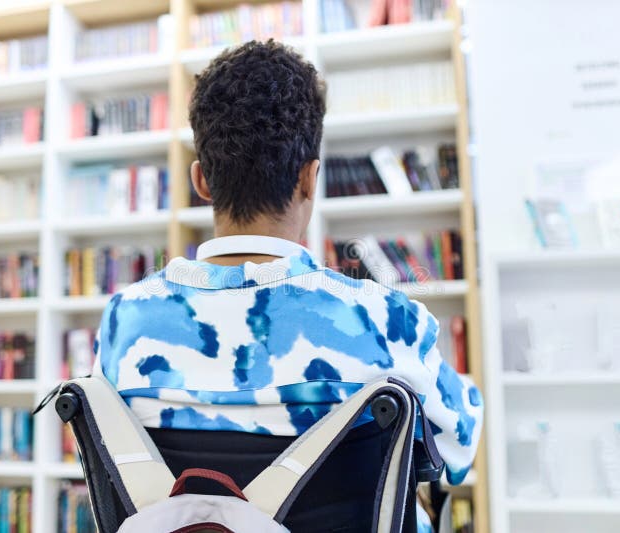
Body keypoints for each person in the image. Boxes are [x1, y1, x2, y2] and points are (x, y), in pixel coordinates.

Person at [93, 40, 483, 532]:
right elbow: (457, 452)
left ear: (202, 181)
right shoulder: (386, 320)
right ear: (309, 179)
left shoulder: (125, 318)